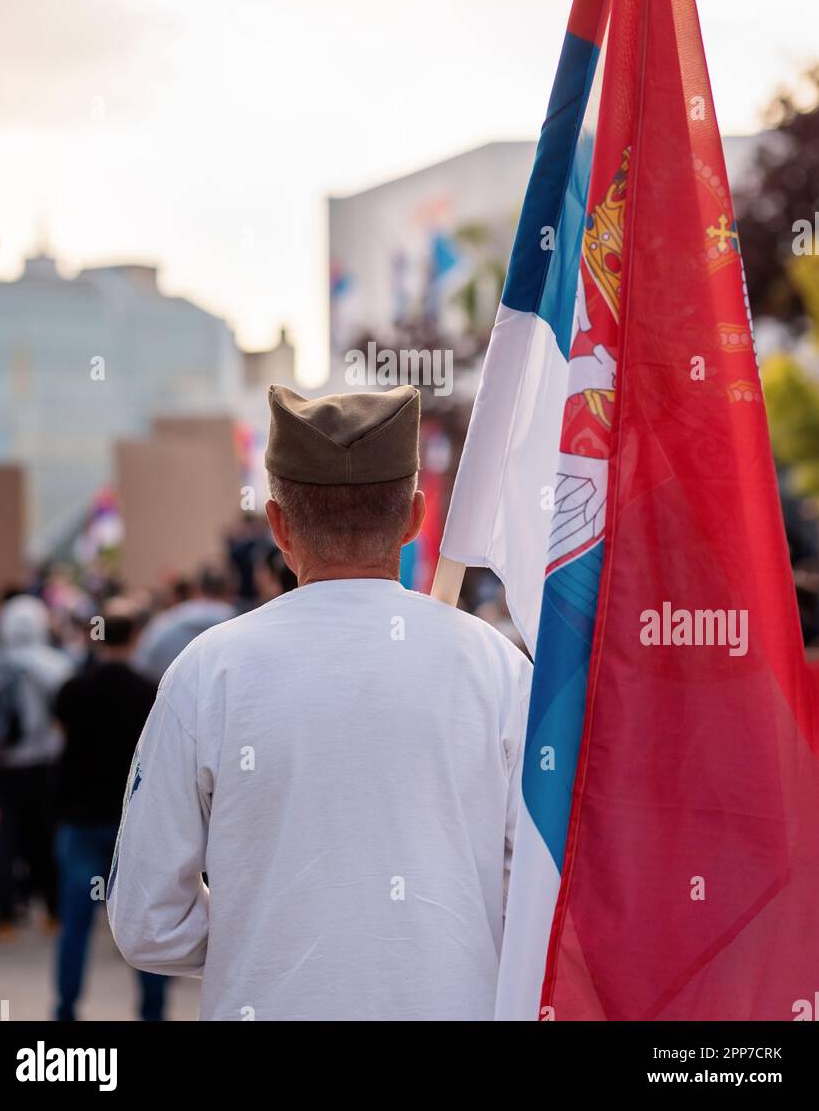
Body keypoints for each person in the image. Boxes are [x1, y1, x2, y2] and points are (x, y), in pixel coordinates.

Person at [108, 384, 532, 1021]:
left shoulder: (207, 670)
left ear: (277, 526)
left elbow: (146, 921)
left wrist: (267, 936)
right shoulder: (498, 667)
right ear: (415, 517)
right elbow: (544, 887)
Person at [53, 602, 167, 1021]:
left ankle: (65, 1009)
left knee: (75, 926)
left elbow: (61, 740)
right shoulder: (149, 691)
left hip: (81, 820)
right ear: (135, 638)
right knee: (147, 924)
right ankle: (152, 1012)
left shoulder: (74, 689)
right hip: (132, 824)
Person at [0, 594, 73, 931]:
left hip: (5, 766)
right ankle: (52, 910)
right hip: (46, 765)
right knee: (47, 837)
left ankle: (6, 915)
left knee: (5, 840)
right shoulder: (57, 665)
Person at [135, 567, 234, 683]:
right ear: (229, 591)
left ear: (196, 590)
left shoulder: (165, 622)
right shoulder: (239, 625)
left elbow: (141, 664)